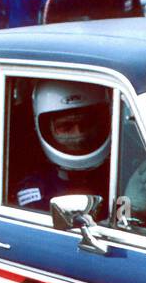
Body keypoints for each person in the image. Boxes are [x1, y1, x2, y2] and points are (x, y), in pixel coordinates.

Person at [14, 80, 112, 213]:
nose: (80, 135)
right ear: (45, 129)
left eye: (87, 123)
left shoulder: (117, 167)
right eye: (66, 127)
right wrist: (133, 209)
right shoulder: (37, 189)